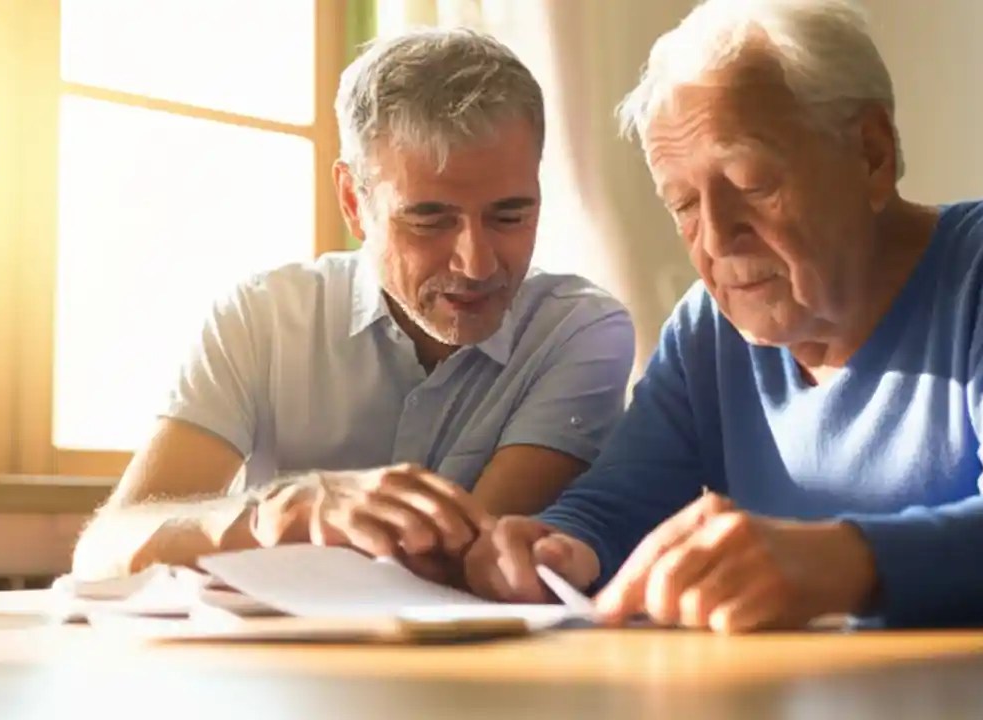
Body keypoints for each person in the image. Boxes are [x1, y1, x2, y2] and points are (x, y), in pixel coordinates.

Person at [465, 0, 983, 631]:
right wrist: (555, 547)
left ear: (872, 154)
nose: (719, 239)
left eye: (752, 183)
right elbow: (614, 504)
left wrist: (837, 561)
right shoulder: (708, 330)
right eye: (684, 206)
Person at [71, 28, 635, 583]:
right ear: (352, 200)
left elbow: (464, 560)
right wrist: (278, 513)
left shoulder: (582, 331)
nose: (477, 264)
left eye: (510, 216)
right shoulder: (263, 317)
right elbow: (104, 550)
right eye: (429, 219)